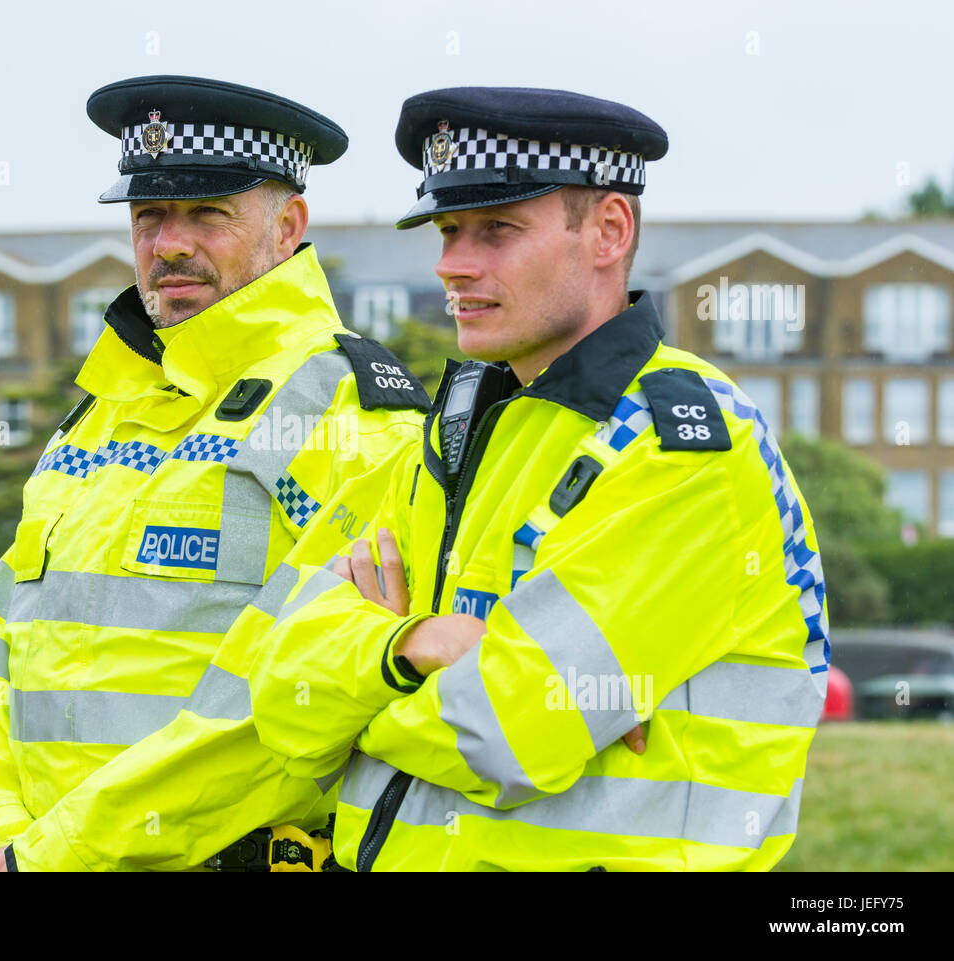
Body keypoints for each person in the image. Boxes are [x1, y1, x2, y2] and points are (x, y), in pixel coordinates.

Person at [247, 86, 829, 871]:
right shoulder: (457, 433)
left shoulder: (685, 448)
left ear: (609, 232)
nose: (453, 263)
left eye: (498, 230)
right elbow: (281, 691)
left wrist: (360, 687)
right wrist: (414, 645)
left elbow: (507, 730)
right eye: (449, 229)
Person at [0, 75, 429, 871]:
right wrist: (3, 834)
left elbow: (297, 704)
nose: (168, 243)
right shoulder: (101, 412)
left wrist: (49, 855)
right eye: (149, 215)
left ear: (289, 227)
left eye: (207, 213)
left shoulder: (354, 418)